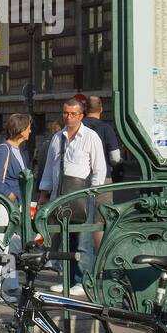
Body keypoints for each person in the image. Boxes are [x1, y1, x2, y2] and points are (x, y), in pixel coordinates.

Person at [38, 98, 106, 294]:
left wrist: (92, 193)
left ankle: (83, 281)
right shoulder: (57, 138)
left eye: (73, 114)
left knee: (83, 239)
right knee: (64, 239)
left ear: (81, 115)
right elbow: (50, 169)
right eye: (66, 113)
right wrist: (44, 194)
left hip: (82, 195)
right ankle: (66, 279)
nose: (69, 117)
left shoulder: (90, 137)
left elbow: (99, 168)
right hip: (60, 197)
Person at [0, 112, 32, 303]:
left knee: (10, 246)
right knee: (1, 246)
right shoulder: (4, 150)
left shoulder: (18, 150)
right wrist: (10, 195)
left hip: (13, 207)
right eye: (28, 127)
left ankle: (9, 286)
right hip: (4, 207)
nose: (30, 130)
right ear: (21, 129)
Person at [84, 96, 123, 180]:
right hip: (103, 177)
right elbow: (115, 157)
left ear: (85, 109)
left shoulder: (78, 127)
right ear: (101, 109)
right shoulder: (107, 128)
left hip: (81, 177)